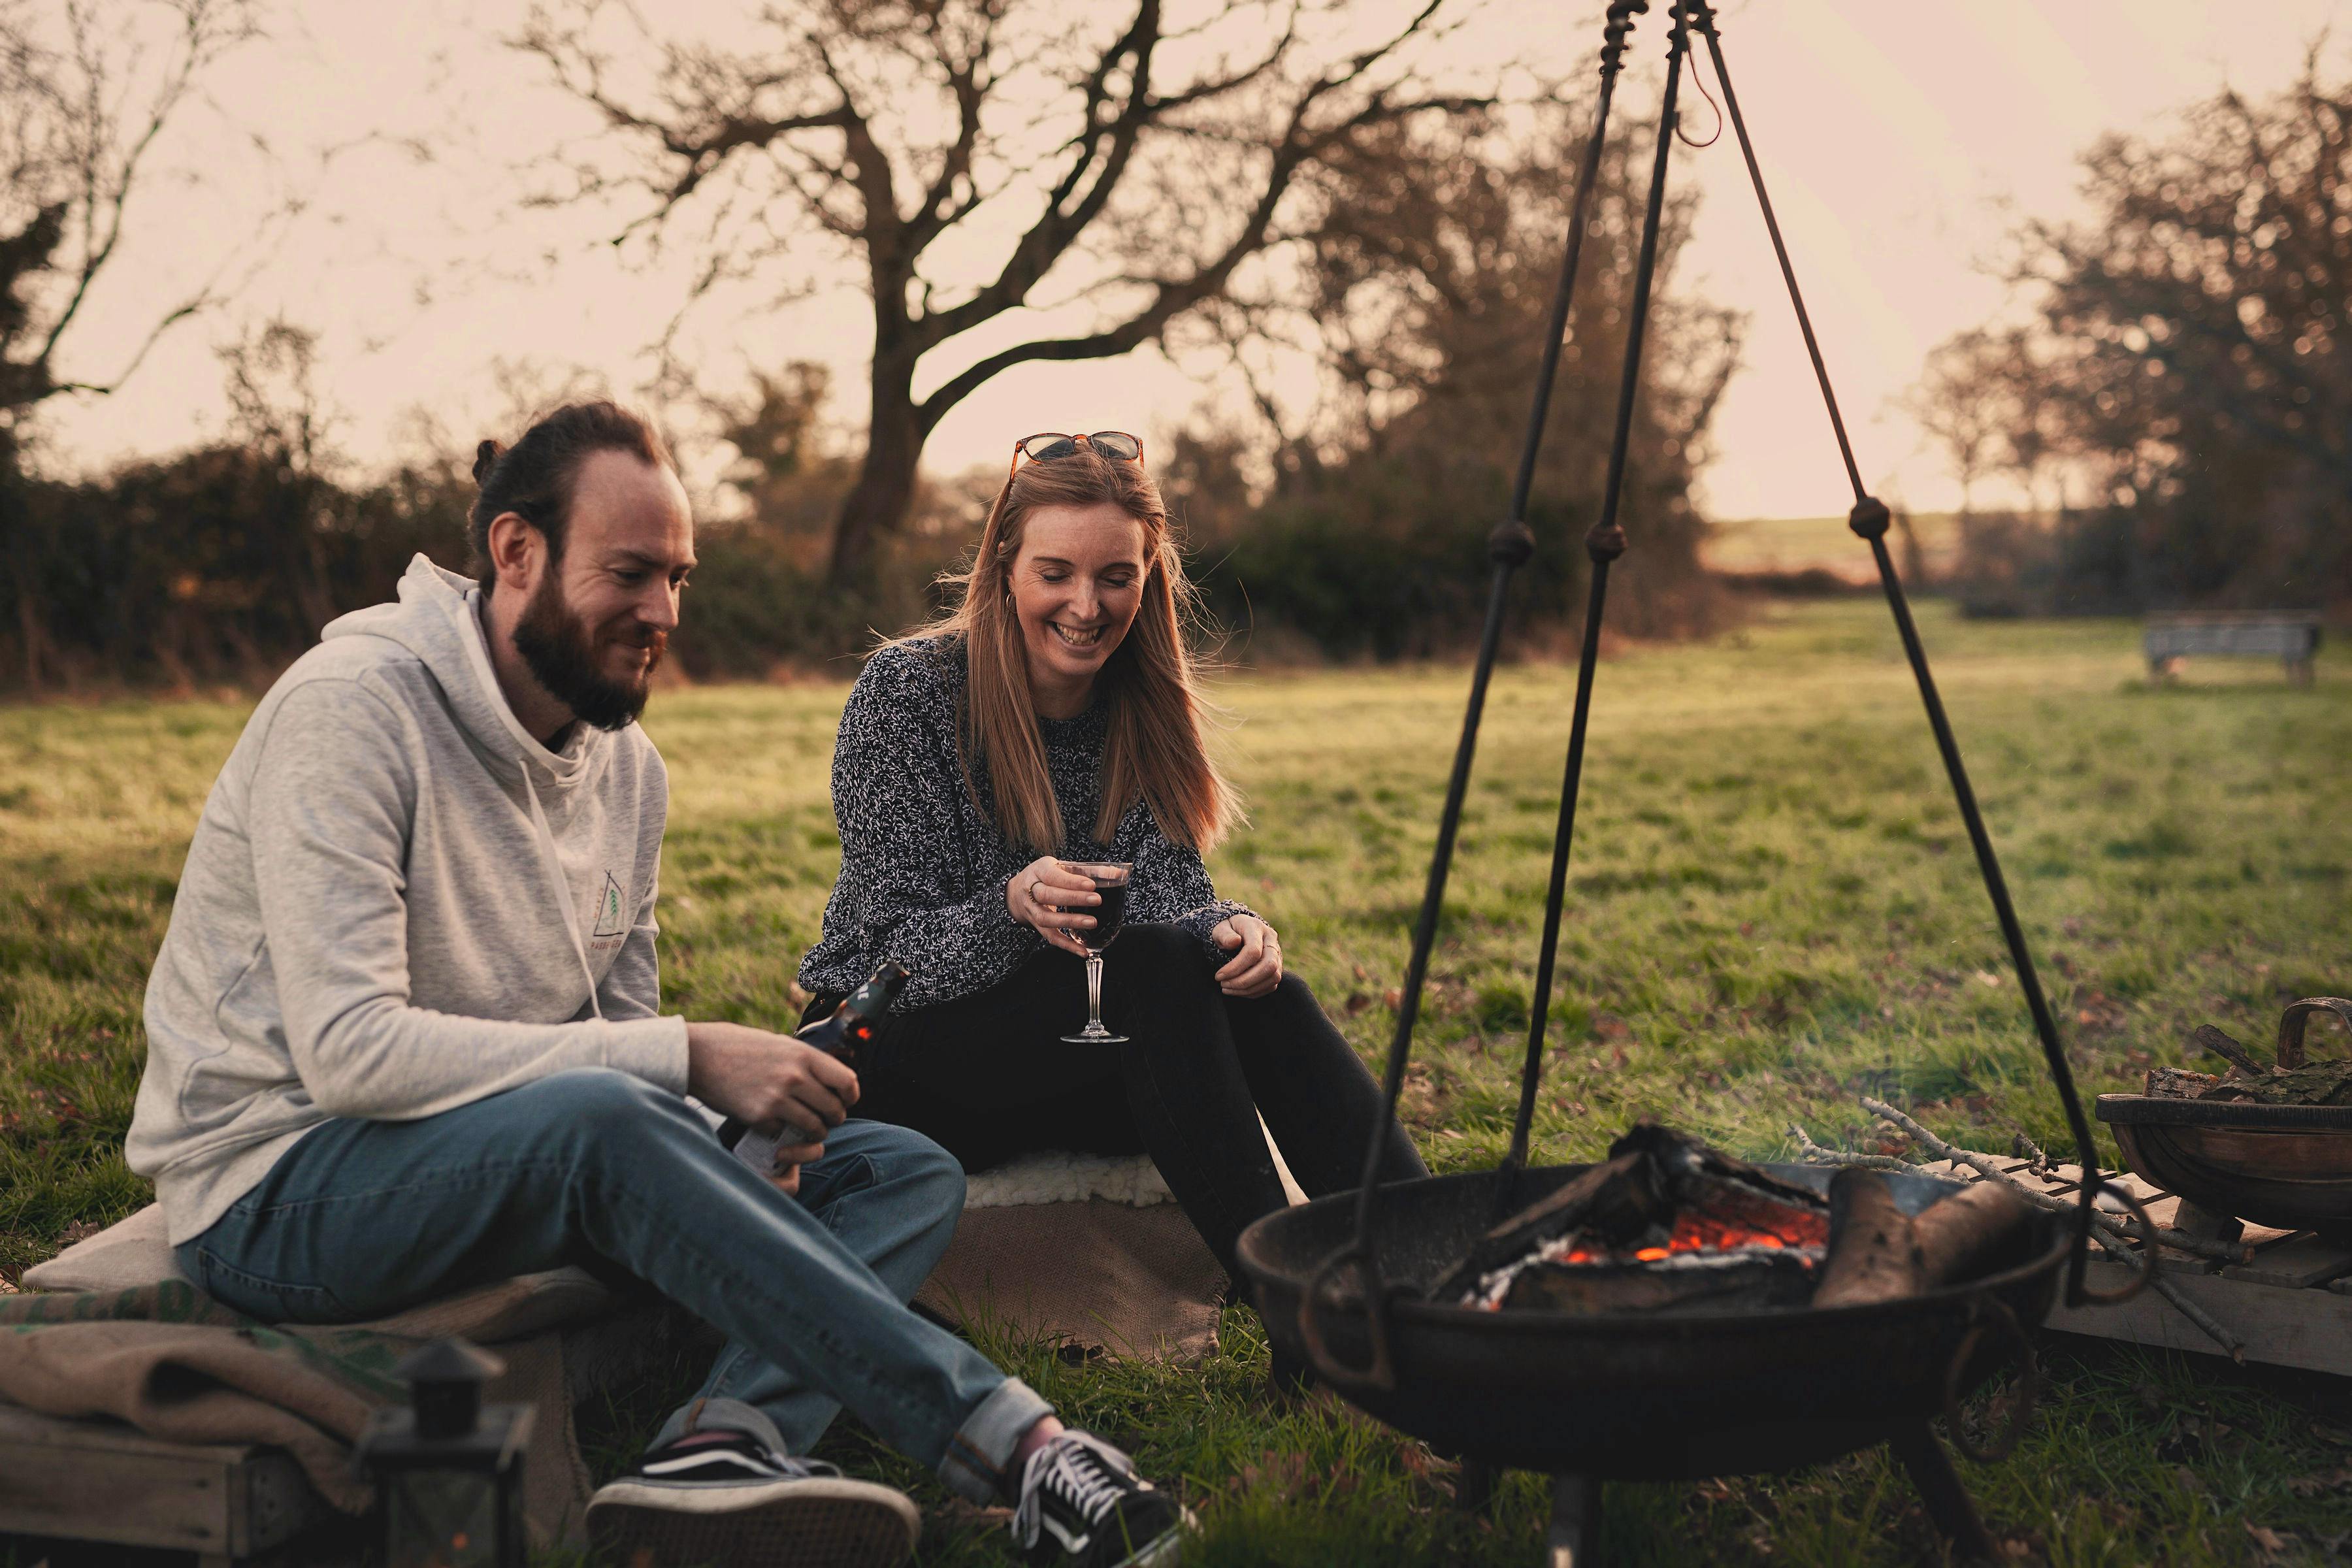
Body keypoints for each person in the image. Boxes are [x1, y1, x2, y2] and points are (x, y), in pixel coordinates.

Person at [125, 402, 1186, 1568]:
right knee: (610, 1114)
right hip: (284, 1183)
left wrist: (718, 1127)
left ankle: (721, 1445)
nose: (663, 615)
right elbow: (351, 1054)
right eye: (629, 574)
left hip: (503, 1152)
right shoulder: (353, 713)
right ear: (516, 553)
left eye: (677, 577)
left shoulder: (626, 767)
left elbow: (606, 1030)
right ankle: (1020, 1450)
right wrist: (686, 1061)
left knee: (893, 1167)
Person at [797, 431, 1429, 1305]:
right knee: (1155, 971)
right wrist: (1009, 909)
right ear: (1005, 570)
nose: (1086, 606)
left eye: (1116, 577)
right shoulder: (911, 692)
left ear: (1149, 579)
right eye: (1055, 574)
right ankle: (1300, 1325)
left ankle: (1437, 1271)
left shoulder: (1142, 706)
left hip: (1074, 1052)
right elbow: (883, 956)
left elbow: (1171, 902)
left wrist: (1230, 931)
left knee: (1259, 993)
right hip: (896, 1057)